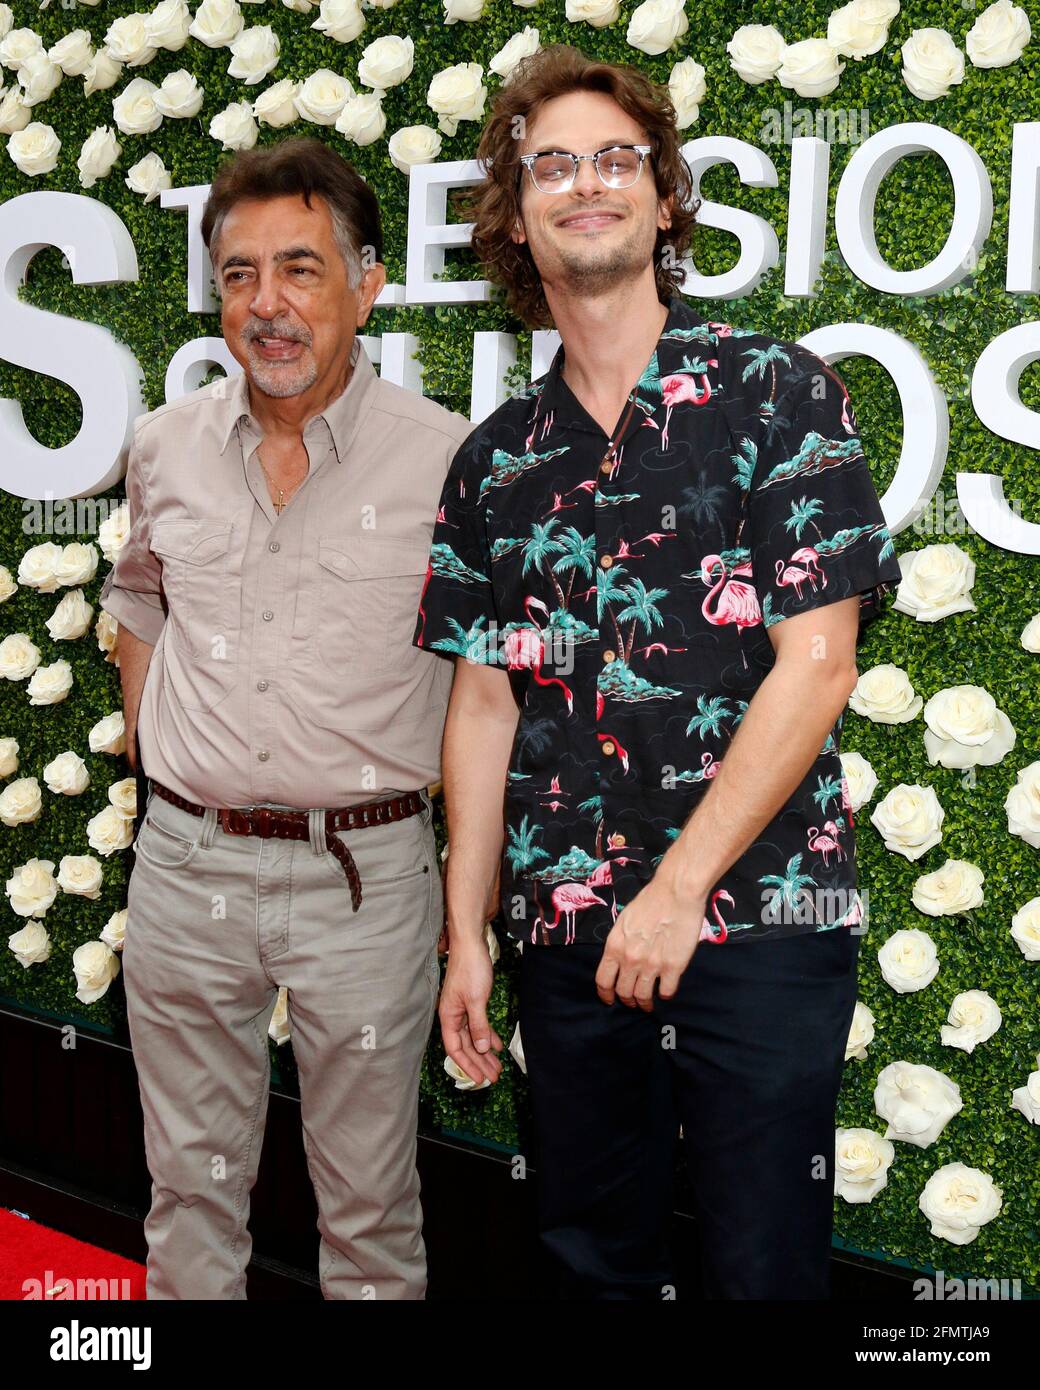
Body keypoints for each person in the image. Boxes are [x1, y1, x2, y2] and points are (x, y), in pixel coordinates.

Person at [413, 45, 903, 1300]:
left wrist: (679, 890)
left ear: (663, 194)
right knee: (589, 1261)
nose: (586, 183)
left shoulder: (778, 390)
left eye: (615, 159)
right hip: (567, 932)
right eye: (552, 165)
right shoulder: (492, 462)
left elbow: (817, 661)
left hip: (758, 920)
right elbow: (482, 705)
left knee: (760, 1270)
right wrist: (465, 936)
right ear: (513, 215)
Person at [99, 137, 472, 1299]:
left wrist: (466, 901)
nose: (268, 303)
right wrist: (161, 764)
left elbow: (486, 689)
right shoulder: (165, 447)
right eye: (240, 274)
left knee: (367, 1208)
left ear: (367, 284)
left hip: (365, 883)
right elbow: (138, 607)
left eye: (301, 269)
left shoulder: (446, 462)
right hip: (185, 874)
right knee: (188, 1193)